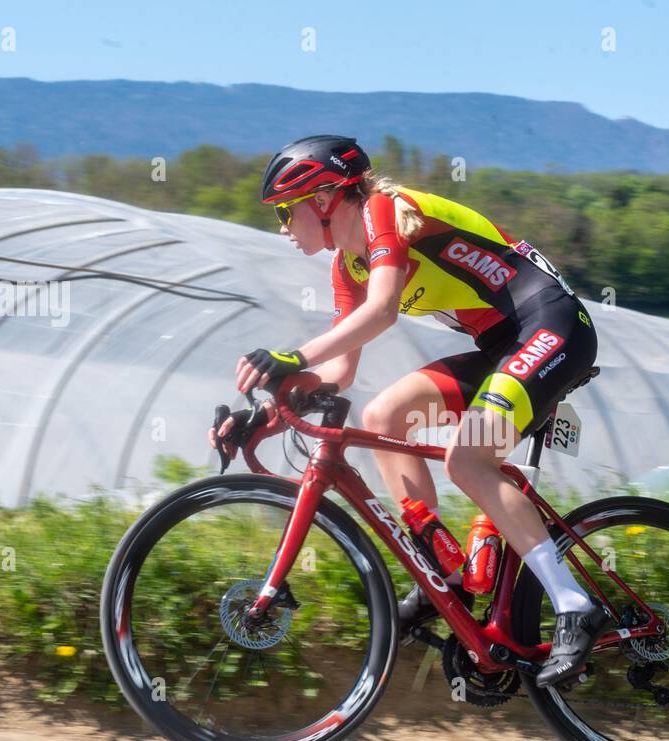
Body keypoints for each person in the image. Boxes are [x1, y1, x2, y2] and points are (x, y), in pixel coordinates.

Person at [220, 134, 609, 687]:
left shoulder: (386, 211)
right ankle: (445, 574)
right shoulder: (346, 268)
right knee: (381, 417)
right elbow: (338, 374)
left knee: (467, 460)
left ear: (325, 198)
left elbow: (381, 313)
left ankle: (574, 604)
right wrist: (263, 412)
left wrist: (293, 355)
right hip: (503, 344)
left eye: (287, 211)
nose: (283, 226)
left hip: (554, 327)